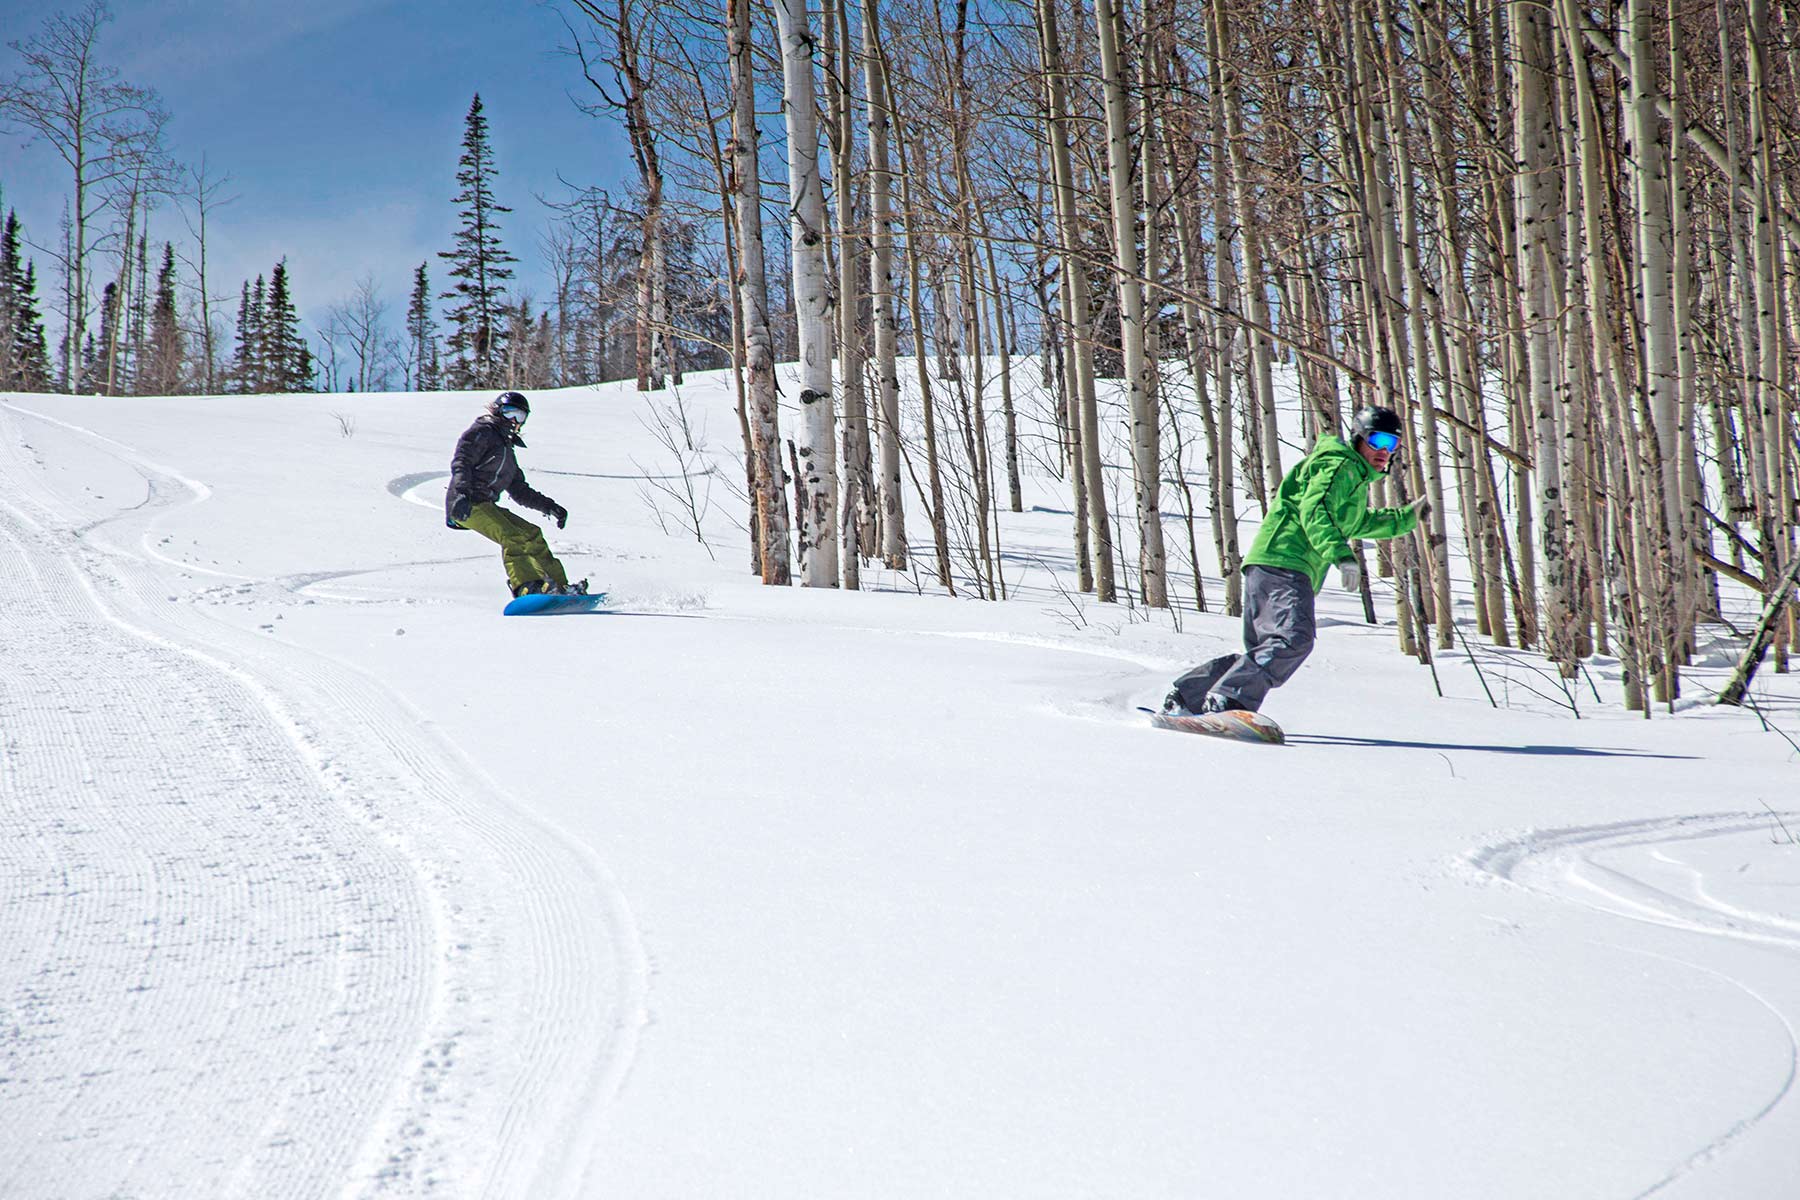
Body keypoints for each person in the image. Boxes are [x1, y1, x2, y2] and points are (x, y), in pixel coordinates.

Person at [1165, 404, 1428, 716]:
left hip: (1270, 563)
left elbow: (1355, 522)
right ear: (1358, 438)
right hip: (1285, 562)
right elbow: (1315, 512)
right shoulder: (1339, 466)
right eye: (1377, 441)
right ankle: (1228, 700)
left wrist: (1407, 517)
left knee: (1268, 649)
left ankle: (1189, 697)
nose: (1384, 451)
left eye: (1392, 444)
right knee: (1294, 639)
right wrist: (1341, 556)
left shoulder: (1351, 478)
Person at [445, 391, 586, 598]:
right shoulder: (482, 431)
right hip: (466, 503)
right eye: (509, 413)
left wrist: (550, 507)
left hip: (485, 504)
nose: (514, 421)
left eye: (520, 416)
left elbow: (519, 490)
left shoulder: (506, 450)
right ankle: (525, 587)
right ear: (498, 412)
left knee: (532, 534)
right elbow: (461, 461)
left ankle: (559, 587)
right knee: (511, 536)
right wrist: (462, 494)